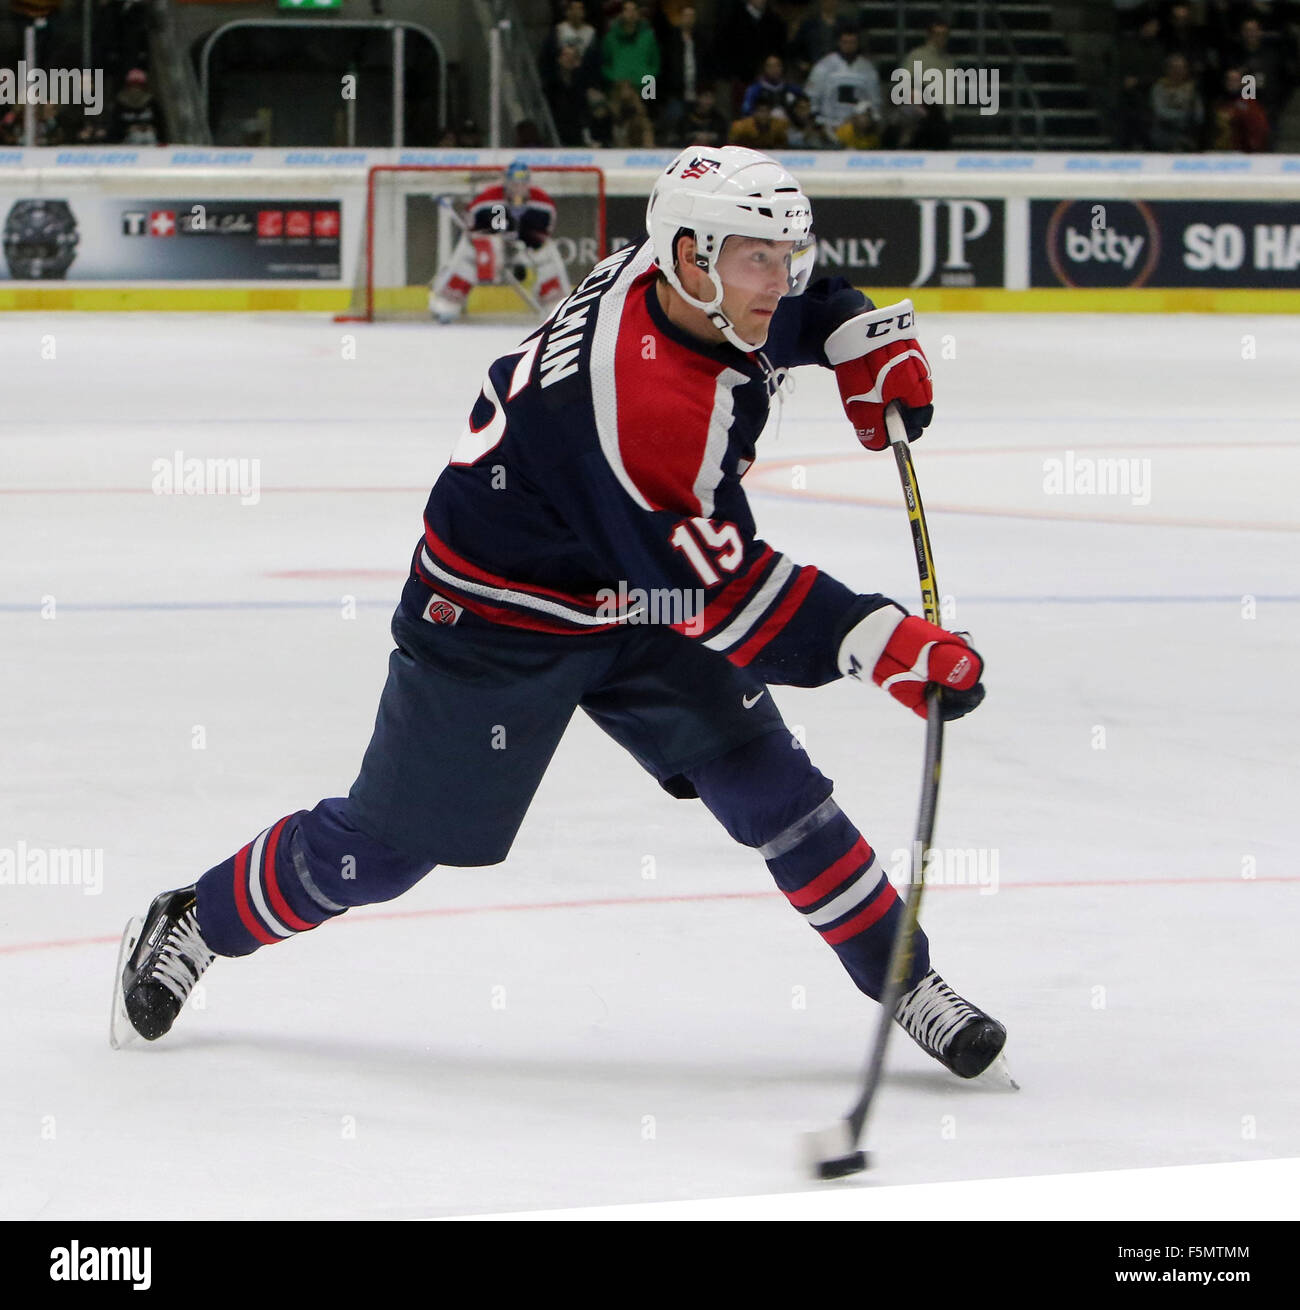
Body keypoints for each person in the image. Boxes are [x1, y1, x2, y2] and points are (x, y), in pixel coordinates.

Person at [111, 146, 1007, 1088]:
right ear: (692, 257)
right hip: (498, 613)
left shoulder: (677, 270)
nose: (780, 282)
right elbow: (726, 596)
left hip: (636, 586)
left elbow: (806, 293)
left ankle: (907, 978)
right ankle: (198, 919)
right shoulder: (640, 404)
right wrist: (880, 643)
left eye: (788, 256)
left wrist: (855, 334)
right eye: (759, 262)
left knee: (774, 791)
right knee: (385, 853)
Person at [427, 161, 570, 323]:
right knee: (467, 252)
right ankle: (447, 303)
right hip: (493, 248)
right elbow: (470, 224)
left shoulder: (543, 204)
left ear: (528, 184)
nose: (518, 188)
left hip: (525, 250)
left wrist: (526, 246)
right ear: (506, 183)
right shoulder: (487, 199)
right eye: (514, 183)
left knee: (548, 253)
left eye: (522, 183)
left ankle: (556, 305)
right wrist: (484, 238)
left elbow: (546, 232)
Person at [805, 26, 882, 131]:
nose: (849, 46)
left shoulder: (868, 69)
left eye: (852, 42)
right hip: (827, 123)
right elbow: (812, 96)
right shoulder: (823, 66)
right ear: (839, 43)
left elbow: (874, 101)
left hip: (858, 127)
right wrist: (817, 121)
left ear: (857, 43)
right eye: (845, 42)